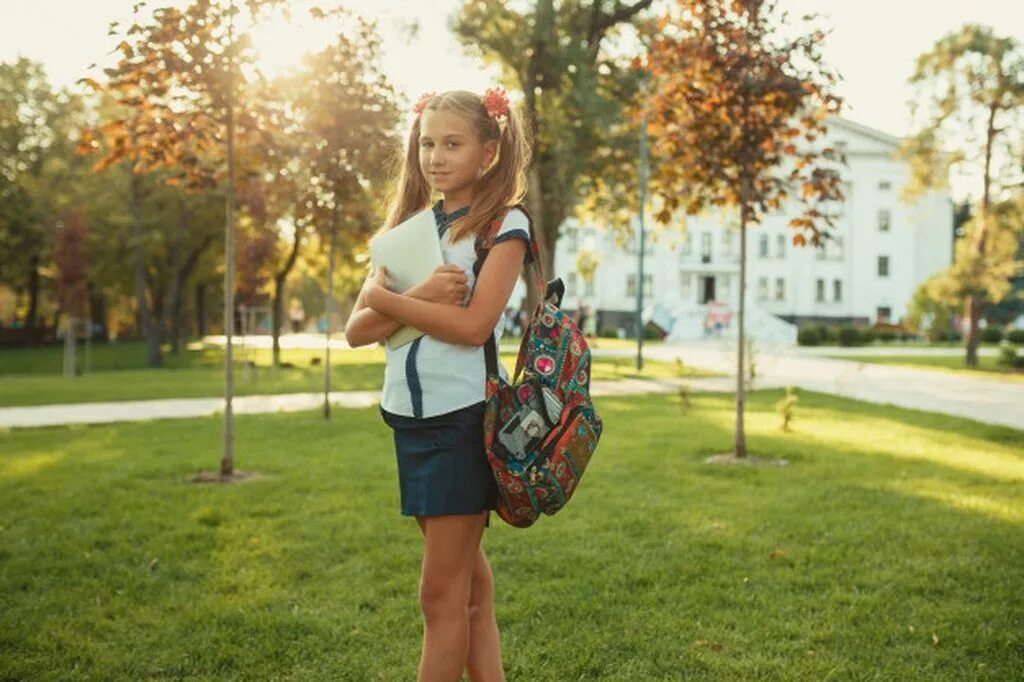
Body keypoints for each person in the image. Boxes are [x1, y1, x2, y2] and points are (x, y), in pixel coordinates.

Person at [344, 88, 532, 682]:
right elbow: (356, 330)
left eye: (453, 143)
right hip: (406, 420)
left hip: (461, 422)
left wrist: (386, 299)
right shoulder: (407, 230)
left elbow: (475, 326)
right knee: (469, 588)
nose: (436, 157)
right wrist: (414, 296)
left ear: (488, 150)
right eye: (428, 143)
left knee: (439, 597)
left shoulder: (504, 225)